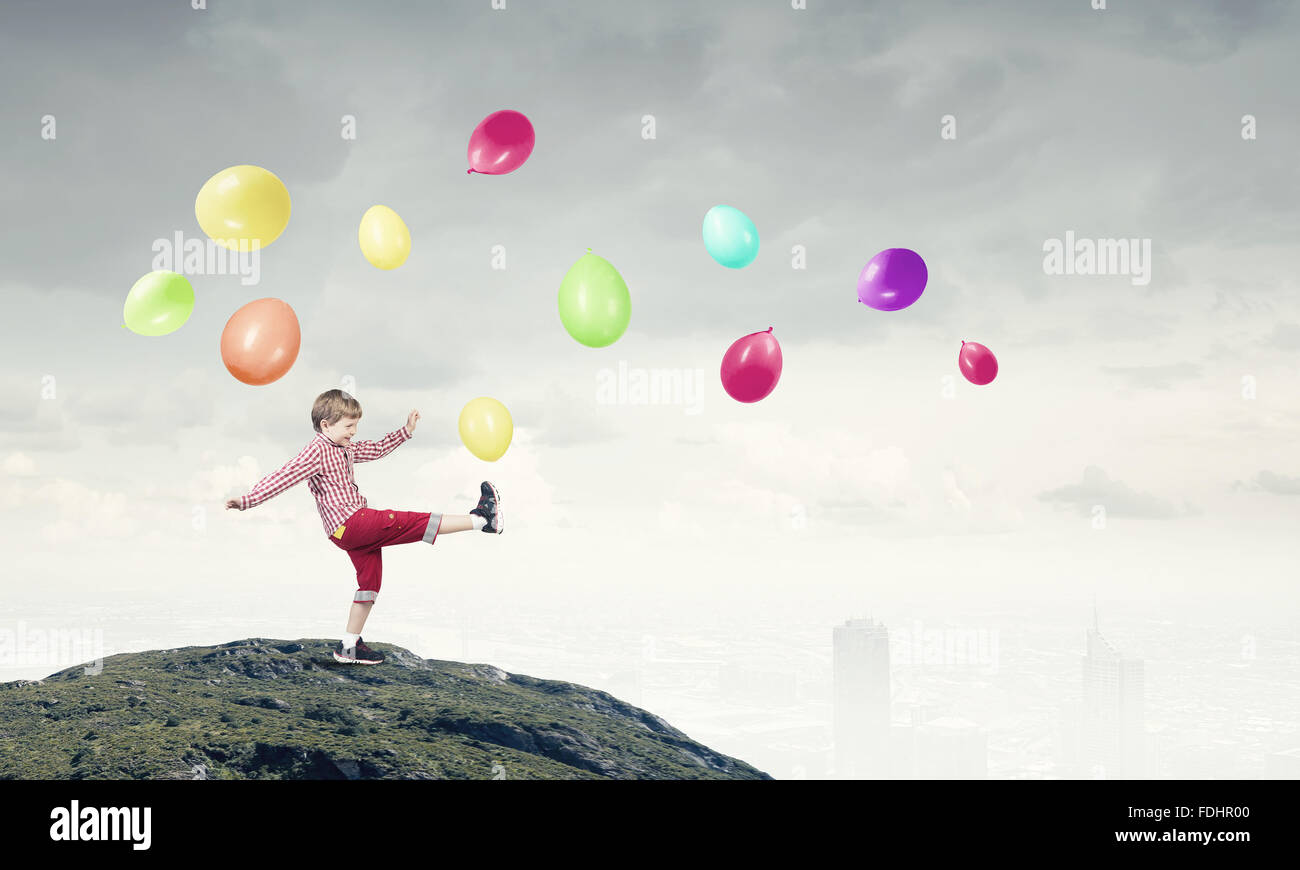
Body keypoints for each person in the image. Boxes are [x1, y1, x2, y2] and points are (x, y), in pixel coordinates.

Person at [225, 389, 501, 665]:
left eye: (356, 425)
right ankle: (482, 520)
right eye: (348, 426)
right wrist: (248, 500)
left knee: (370, 583)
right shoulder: (316, 450)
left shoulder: (344, 448)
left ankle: (348, 646)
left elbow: (377, 448)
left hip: (347, 532)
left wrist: (405, 431)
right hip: (351, 523)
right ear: (326, 425)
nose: (354, 431)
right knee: (407, 520)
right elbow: (283, 476)